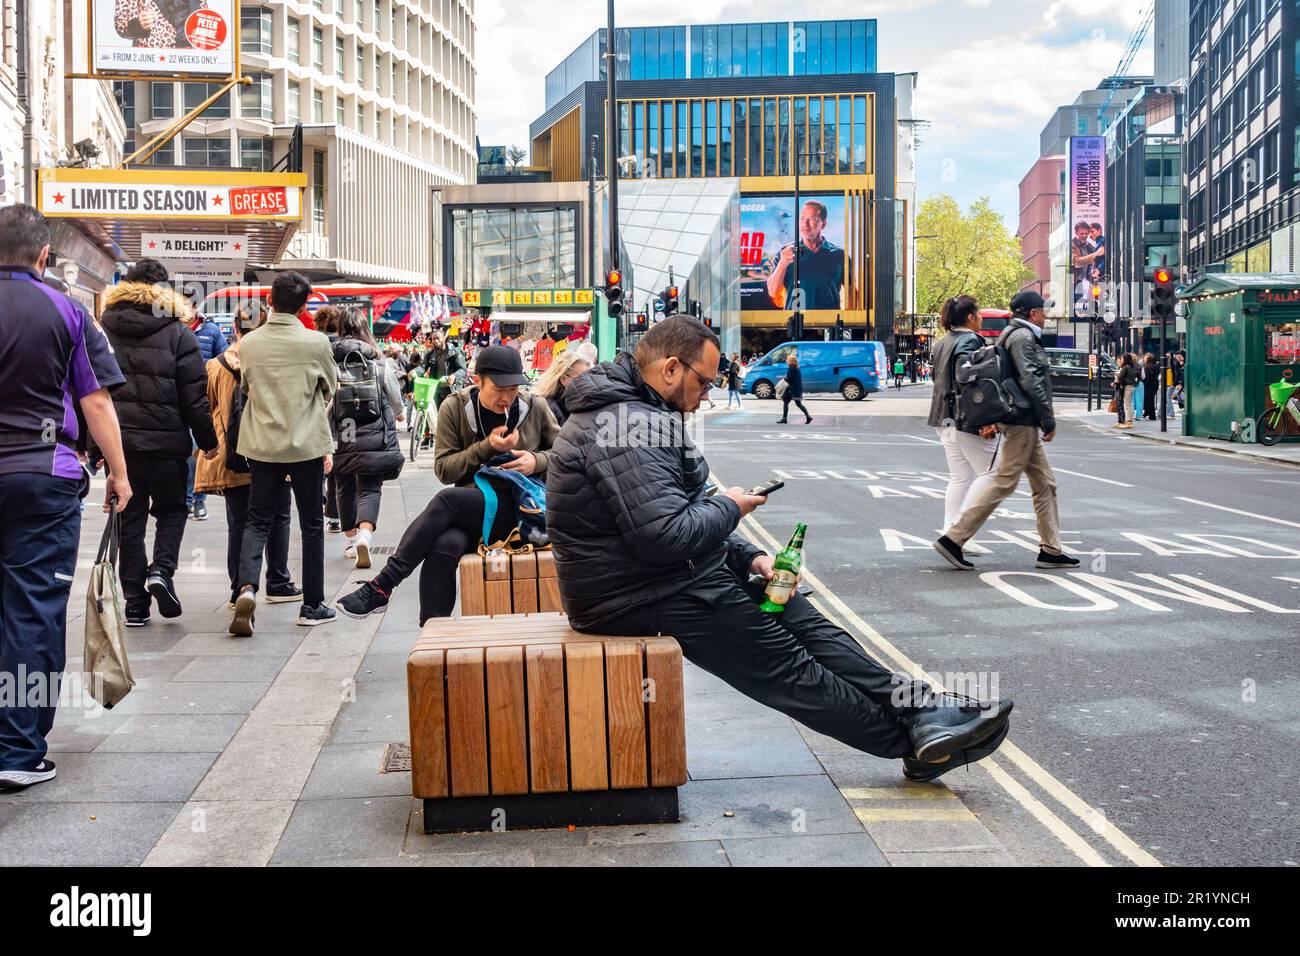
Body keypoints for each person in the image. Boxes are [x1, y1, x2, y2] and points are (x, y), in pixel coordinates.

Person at [545, 315, 1013, 782]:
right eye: (704, 380)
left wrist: (750, 556)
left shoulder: (638, 415)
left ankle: (923, 709)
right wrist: (730, 507)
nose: (708, 391)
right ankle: (911, 740)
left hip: (668, 576)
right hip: (634, 595)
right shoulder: (627, 425)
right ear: (671, 368)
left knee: (805, 622)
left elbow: (679, 515)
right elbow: (665, 535)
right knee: (785, 665)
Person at [0, 205, 132, 791]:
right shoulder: (67, 311)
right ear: (44, 255)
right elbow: (96, 402)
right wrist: (120, 478)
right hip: (41, 473)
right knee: (31, 609)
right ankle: (17, 749)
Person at [336, 345, 559, 624]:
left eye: (513, 389)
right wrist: (486, 448)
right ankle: (434, 642)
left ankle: (383, 584)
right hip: (473, 511)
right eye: (499, 389)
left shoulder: (534, 406)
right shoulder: (455, 407)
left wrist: (535, 461)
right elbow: (444, 469)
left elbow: (567, 453)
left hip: (523, 513)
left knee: (446, 500)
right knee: (444, 545)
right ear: (478, 381)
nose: (507, 397)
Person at [93, 258, 219, 626]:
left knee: (129, 519)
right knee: (172, 510)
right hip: (167, 445)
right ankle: (161, 571)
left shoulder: (104, 330)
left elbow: (90, 390)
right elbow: (193, 396)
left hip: (121, 446)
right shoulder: (178, 333)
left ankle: (134, 602)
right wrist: (208, 440)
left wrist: (93, 445)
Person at [933, 291, 1080, 572]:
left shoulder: (1013, 335)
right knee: (1002, 480)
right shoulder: (1023, 338)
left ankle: (1051, 549)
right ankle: (954, 537)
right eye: (1042, 311)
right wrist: (1047, 420)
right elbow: (1030, 381)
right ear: (1033, 313)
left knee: (1045, 484)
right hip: (1023, 419)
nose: (1045, 315)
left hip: (1021, 419)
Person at [229, 271, 338, 636]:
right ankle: (312, 605)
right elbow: (329, 387)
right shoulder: (316, 342)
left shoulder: (250, 344)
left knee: (257, 520)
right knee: (311, 524)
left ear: (270, 302)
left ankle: (246, 587)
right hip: (305, 443)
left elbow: (247, 387)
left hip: (262, 445)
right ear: (304, 306)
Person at [194, 304, 302, 608]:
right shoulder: (276, 361)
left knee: (239, 523)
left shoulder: (215, 365)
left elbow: (207, 406)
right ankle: (278, 582)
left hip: (233, 455)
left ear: (235, 329)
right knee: (279, 517)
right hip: (273, 450)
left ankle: (239, 589)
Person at [330, 307, 405, 569]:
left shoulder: (330, 362)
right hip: (376, 437)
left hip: (343, 434)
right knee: (370, 488)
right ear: (365, 329)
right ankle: (365, 534)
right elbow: (395, 398)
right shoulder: (380, 363)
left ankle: (351, 540)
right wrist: (399, 413)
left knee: (343, 486)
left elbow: (325, 400)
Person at [927, 295, 998, 530]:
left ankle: (951, 529)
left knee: (960, 477)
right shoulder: (970, 341)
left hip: (943, 417)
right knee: (993, 473)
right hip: (963, 418)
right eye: (978, 314)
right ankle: (958, 533)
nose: (981, 318)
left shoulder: (942, 342)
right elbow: (967, 378)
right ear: (970, 317)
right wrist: (985, 417)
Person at [764, 199, 848, 310]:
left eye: (811, 219)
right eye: (802, 219)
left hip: (830, 325)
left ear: (823, 224)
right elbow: (772, 292)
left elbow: (854, 292)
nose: (805, 224)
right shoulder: (785, 254)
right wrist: (782, 264)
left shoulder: (840, 255)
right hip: (795, 325)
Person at [186, 310, 228, 521]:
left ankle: (197, 501)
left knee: (197, 453)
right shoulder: (172, 329)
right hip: (176, 401)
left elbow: (223, 359)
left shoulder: (211, 331)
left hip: (201, 399)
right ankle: (185, 500)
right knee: (184, 455)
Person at [313, 306, 344, 534]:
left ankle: (319, 496)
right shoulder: (344, 344)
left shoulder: (312, 344)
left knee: (317, 462)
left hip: (316, 411)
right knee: (337, 465)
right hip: (342, 413)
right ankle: (334, 516)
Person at [531, 348, 593, 427]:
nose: (587, 383)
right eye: (581, 379)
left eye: (589, 378)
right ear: (564, 379)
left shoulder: (580, 403)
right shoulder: (550, 408)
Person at [777, 352, 812, 425]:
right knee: (797, 404)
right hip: (796, 388)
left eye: (788, 360)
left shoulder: (792, 367)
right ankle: (808, 416)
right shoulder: (796, 367)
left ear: (791, 361)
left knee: (787, 402)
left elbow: (790, 378)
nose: (787, 361)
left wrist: (782, 378)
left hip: (792, 389)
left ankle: (784, 419)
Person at [1113, 353, 1138, 430]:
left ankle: (1129, 421)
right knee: (1128, 404)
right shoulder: (1131, 367)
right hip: (1131, 386)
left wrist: (1118, 375)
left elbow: (1120, 377)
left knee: (1127, 404)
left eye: (1123, 359)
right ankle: (1129, 420)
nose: (1121, 360)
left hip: (1127, 387)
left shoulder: (1125, 367)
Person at [1143, 352, 1160, 420]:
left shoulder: (1148, 366)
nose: (1144, 359)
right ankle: (1147, 412)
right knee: (1150, 398)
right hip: (1155, 383)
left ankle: (1152, 415)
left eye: (1145, 358)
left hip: (1149, 384)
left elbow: (1147, 377)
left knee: (1149, 399)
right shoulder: (1156, 365)